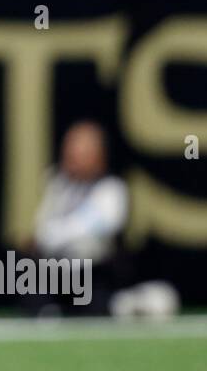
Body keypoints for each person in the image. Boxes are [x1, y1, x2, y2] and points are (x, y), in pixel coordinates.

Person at [24, 120, 129, 316]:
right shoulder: (58, 185)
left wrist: (50, 235)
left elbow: (82, 229)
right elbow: (42, 226)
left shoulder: (111, 190)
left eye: (82, 149)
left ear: (99, 155)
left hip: (91, 274)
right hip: (55, 274)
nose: (73, 155)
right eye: (71, 148)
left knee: (98, 302)